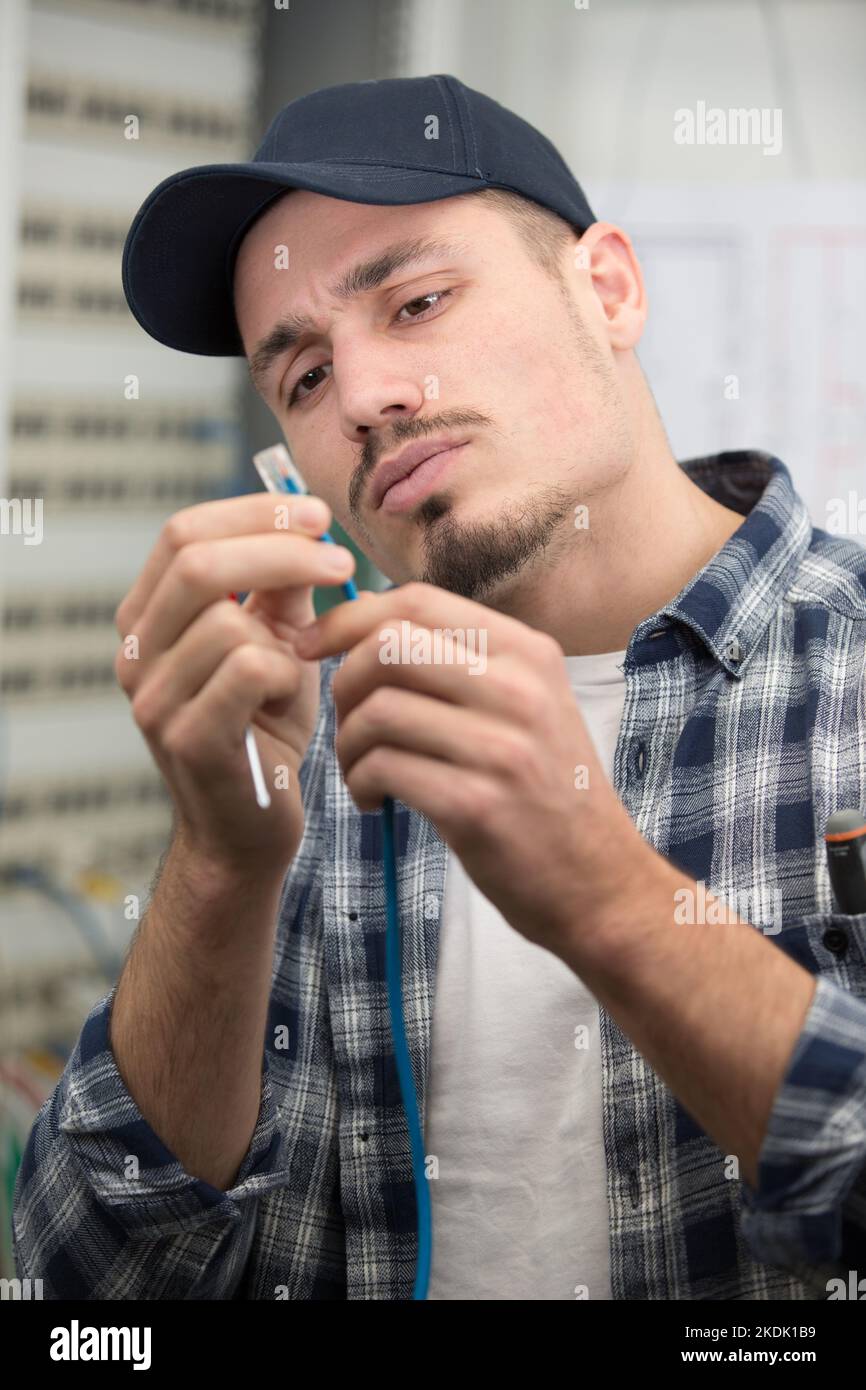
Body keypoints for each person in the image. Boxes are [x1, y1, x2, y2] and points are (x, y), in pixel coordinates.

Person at [12, 74, 866, 1301]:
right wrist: (216, 865)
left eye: (416, 302)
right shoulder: (318, 745)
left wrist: (606, 896)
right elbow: (84, 1298)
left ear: (607, 287)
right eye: (301, 378)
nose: (363, 400)